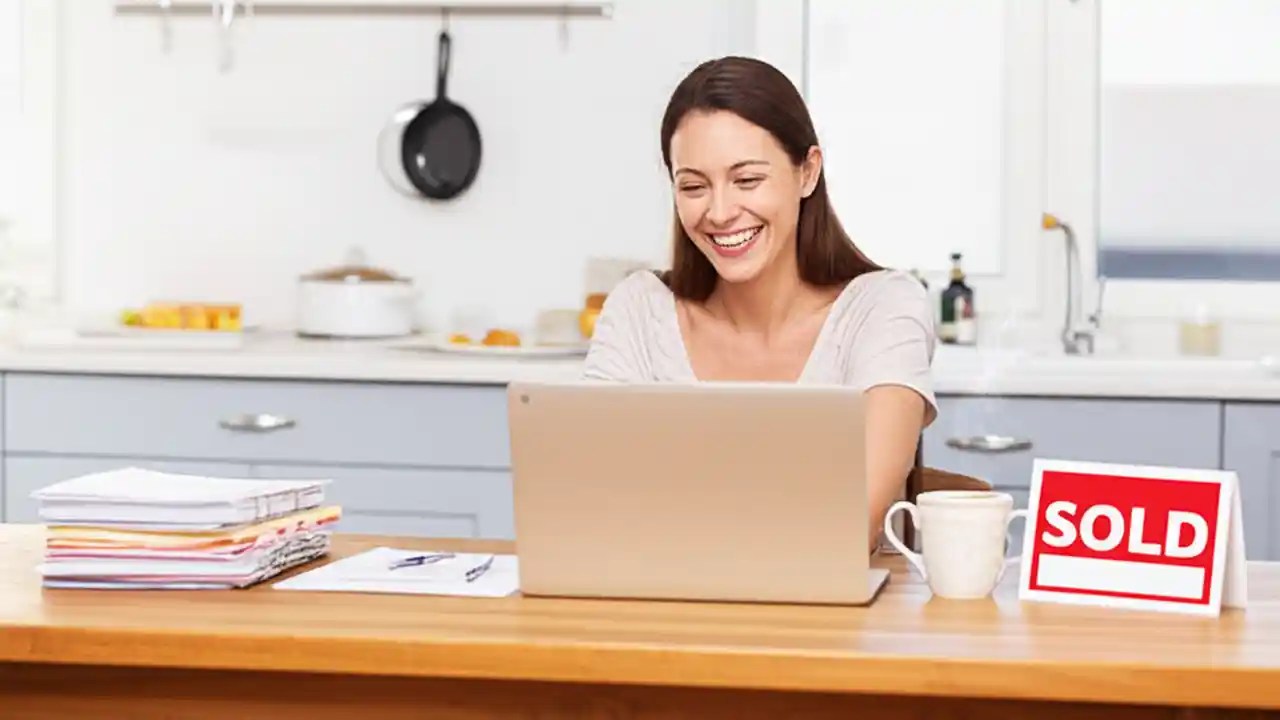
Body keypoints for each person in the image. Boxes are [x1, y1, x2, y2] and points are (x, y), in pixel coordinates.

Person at [582, 56, 937, 546]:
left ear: (807, 172)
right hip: (659, 595)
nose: (720, 212)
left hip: (834, 600)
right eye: (693, 186)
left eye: (747, 180)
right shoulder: (639, 310)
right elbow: (595, 508)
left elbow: (850, 525)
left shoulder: (883, 309)